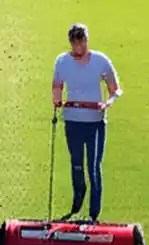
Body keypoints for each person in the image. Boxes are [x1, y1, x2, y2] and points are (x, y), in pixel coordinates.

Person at [51, 23, 122, 222]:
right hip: (73, 120)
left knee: (93, 167)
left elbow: (114, 89)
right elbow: (57, 85)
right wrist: (56, 100)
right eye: (75, 44)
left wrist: (107, 103)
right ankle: (78, 197)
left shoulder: (101, 61)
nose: (78, 48)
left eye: (81, 43)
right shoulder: (62, 62)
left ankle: (93, 213)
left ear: (87, 41)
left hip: (95, 122)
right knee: (76, 164)